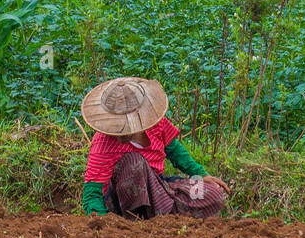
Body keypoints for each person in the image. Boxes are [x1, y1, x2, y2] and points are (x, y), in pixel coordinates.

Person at [80, 77, 229, 218]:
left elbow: (175, 151)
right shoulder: (103, 142)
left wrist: (200, 174)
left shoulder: (155, 123)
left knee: (214, 194)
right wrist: (102, 221)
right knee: (134, 162)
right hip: (121, 201)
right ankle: (135, 220)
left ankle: (161, 219)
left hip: (158, 187)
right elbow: (92, 193)